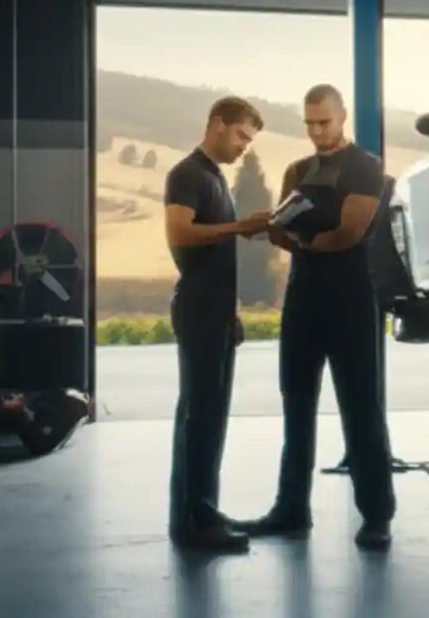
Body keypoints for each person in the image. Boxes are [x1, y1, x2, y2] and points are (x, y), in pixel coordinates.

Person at [233, 84, 396, 550]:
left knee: (361, 409)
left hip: (351, 300)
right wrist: (297, 235)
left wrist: (302, 237)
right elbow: (278, 233)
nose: (317, 131)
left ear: (342, 117)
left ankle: (377, 516)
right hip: (303, 298)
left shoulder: (365, 167)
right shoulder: (297, 170)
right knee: (297, 404)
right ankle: (290, 510)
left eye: (324, 122)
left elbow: (348, 232)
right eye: (309, 123)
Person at [164, 96, 272, 553]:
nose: (244, 146)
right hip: (198, 308)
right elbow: (179, 232)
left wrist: (230, 315)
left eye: (250, 140)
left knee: (209, 417)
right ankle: (193, 523)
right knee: (199, 417)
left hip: (215, 312)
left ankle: (203, 510)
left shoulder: (214, 178)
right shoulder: (188, 174)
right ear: (217, 124)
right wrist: (237, 227)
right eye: (241, 135)